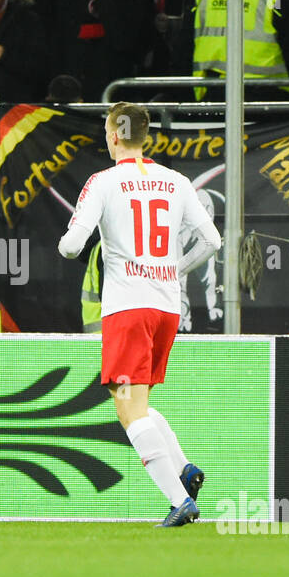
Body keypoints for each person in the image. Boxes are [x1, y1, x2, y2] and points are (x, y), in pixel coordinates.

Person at [57, 102, 221, 527]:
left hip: (128, 306)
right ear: (144, 137)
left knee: (127, 408)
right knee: (136, 399)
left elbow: (74, 245)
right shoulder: (176, 181)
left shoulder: (104, 182)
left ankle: (179, 498)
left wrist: (62, 245)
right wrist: (174, 270)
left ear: (113, 135)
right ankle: (184, 468)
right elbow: (212, 240)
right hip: (165, 307)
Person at [55, 0, 145, 101]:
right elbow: (63, 51)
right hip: (78, 95)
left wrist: (104, 1)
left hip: (116, 94)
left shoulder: (129, 2)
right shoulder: (70, 3)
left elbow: (124, 43)